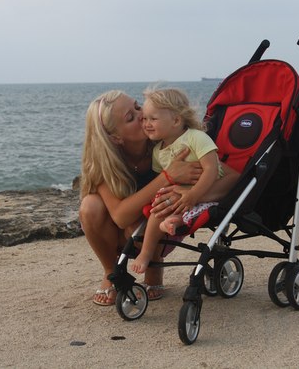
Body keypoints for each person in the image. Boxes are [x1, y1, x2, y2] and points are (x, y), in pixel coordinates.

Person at [80, 90, 238, 306]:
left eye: (138, 106)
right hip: (118, 232)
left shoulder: (171, 143)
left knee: (138, 225)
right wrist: (167, 176)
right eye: (131, 117)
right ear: (116, 137)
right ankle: (111, 271)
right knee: (90, 206)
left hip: (158, 228)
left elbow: (233, 178)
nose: (142, 114)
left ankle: (154, 269)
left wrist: (190, 195)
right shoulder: (105, 163)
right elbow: (120, 217)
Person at [130, 88, 230, 274]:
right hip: (182, 195)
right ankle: (146, 252)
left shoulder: (196, 138)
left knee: (184, 207)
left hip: (207, 192)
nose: (146, 124)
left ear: (176, 120)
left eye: (153, 119)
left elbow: (212, 169)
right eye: (144, 118)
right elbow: (165, 180)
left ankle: (175, 221)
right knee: (157, 209)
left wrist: (194, 194)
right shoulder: (158, 151)